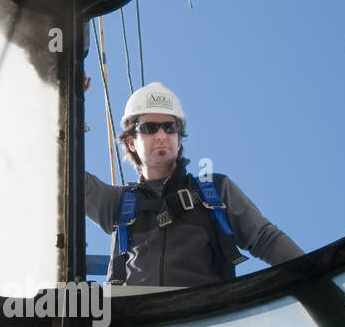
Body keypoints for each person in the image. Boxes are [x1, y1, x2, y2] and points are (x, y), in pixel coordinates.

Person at [85, 82, 304, 287]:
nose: (161, 135)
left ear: (179, 140)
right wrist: (69, 96)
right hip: (136, 321)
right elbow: (64, 178)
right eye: (149, 127)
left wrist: (315, 278)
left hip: (203, 319)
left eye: (169, 127)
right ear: (131, 142)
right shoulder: (118, 202)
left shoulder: (215, 191)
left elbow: (266, 240)